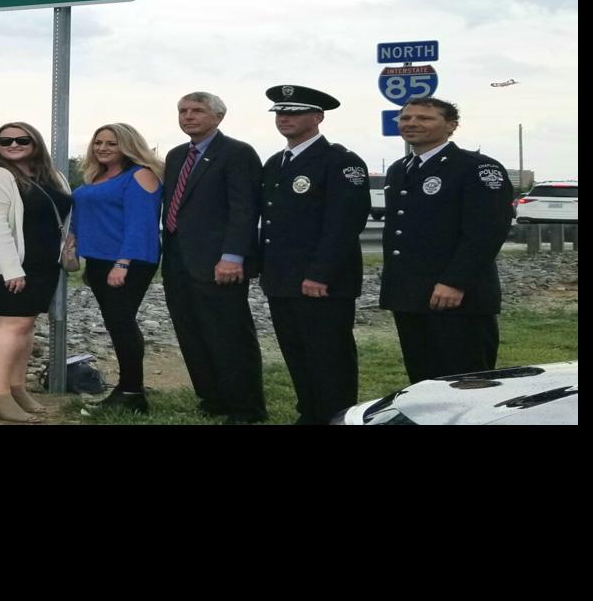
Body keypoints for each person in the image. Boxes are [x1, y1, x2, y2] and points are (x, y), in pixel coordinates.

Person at [255, 84, 370, 425]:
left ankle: (336, 416)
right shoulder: (277, 163)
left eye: (295, 112)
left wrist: (320, 273)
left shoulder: (340, 162)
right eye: (280, 112)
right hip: (282, 279)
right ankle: (309, 413)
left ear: (318, 117)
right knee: (297, 353)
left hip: (321, 281)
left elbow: (344, 224)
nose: (285, 118)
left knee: (329, 355)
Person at [380, 97, 515, 383]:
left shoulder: (476, 168)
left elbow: (487, 231)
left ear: (451, 126)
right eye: (406, 118)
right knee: (422, 380)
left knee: (466, 380)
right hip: (411, 295)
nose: (412, 123)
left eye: (425, 118)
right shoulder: (400, 169)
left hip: (457, 298)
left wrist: (455, 281)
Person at [159, 92, 266, 424]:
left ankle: (246, 408)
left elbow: (244, 209)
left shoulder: (237, 153)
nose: (188, 116)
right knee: (191, 333)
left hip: (220, 263)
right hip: (178, 261)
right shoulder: (177, 155)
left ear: (218, 116)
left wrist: (232, 256)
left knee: (229, 336)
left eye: (197, 111)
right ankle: (213, 397)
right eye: (183, 111)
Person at [0, 122, 71, 424]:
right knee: (11, 326)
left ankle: (16, 388)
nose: (13, 144)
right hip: (5, 267)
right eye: (5, 141)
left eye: (21, 139)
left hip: (42, 265)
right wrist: (11, 269)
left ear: (35, 142)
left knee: (25, 328)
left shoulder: (53, 176)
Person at [70, 123, 164, 413]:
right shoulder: (97, 176)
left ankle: (132, 392)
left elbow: (141, 223)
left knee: (122, 323)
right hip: (99, 260)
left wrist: (122, 263)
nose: (103, 148)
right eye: (99, 142)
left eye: (112, 143)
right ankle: (128, 390)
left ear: (128, 145)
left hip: (129, 261)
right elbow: (85, 214)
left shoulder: (140, 175)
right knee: (116, 323)